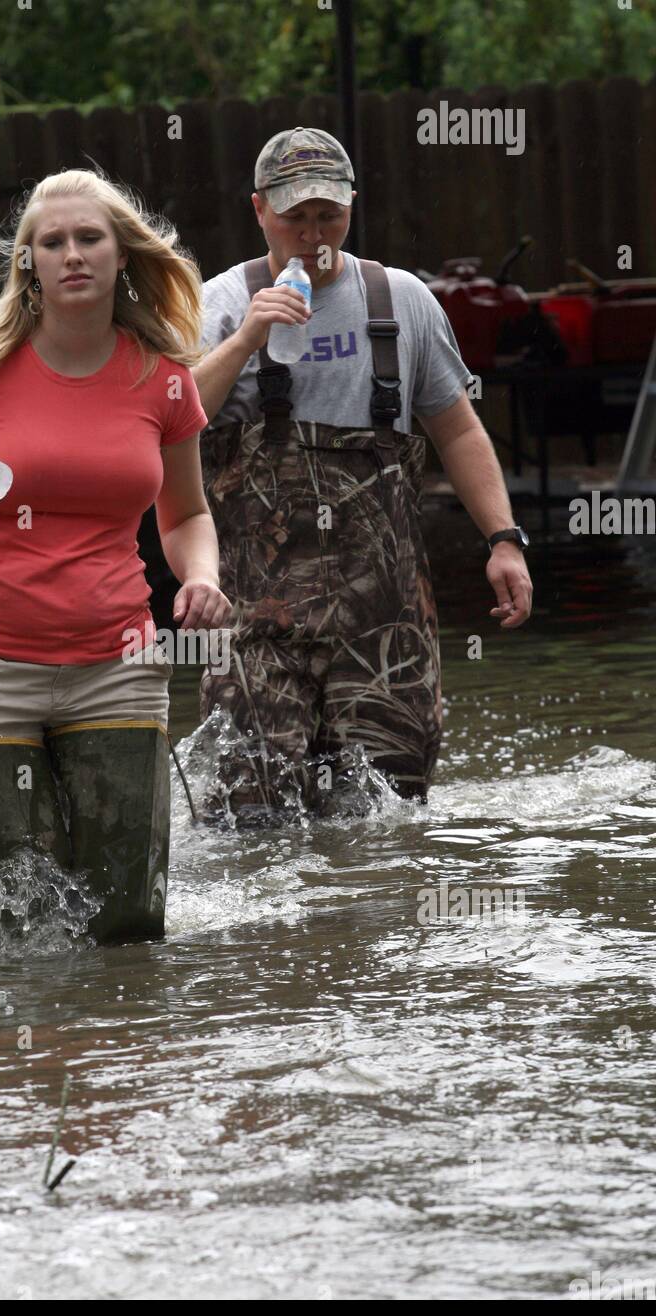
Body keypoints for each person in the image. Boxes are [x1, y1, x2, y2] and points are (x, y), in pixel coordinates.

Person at [0, 169, 230, 943]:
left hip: (117, 661)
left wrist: (201, 576)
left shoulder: (164, 380)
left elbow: (188, 513)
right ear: (28, 263)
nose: (72, 254)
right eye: (52, 241)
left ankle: (115, 1054)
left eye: (89, 238)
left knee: (128, 920)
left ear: (121, 256)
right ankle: (13, 1065)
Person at [191, 127, 533, 823]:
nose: (313, 232)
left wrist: (503, 538)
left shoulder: (401, 300)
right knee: (248, 829)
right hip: (257, 630)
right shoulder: (217, 306)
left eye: (329, 214)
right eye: (295, 216)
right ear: (259, 210)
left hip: (385, 633)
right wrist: (250, 337)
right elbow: (172, 421)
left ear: (352, 210)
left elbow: (459, 428)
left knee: (388, 828)